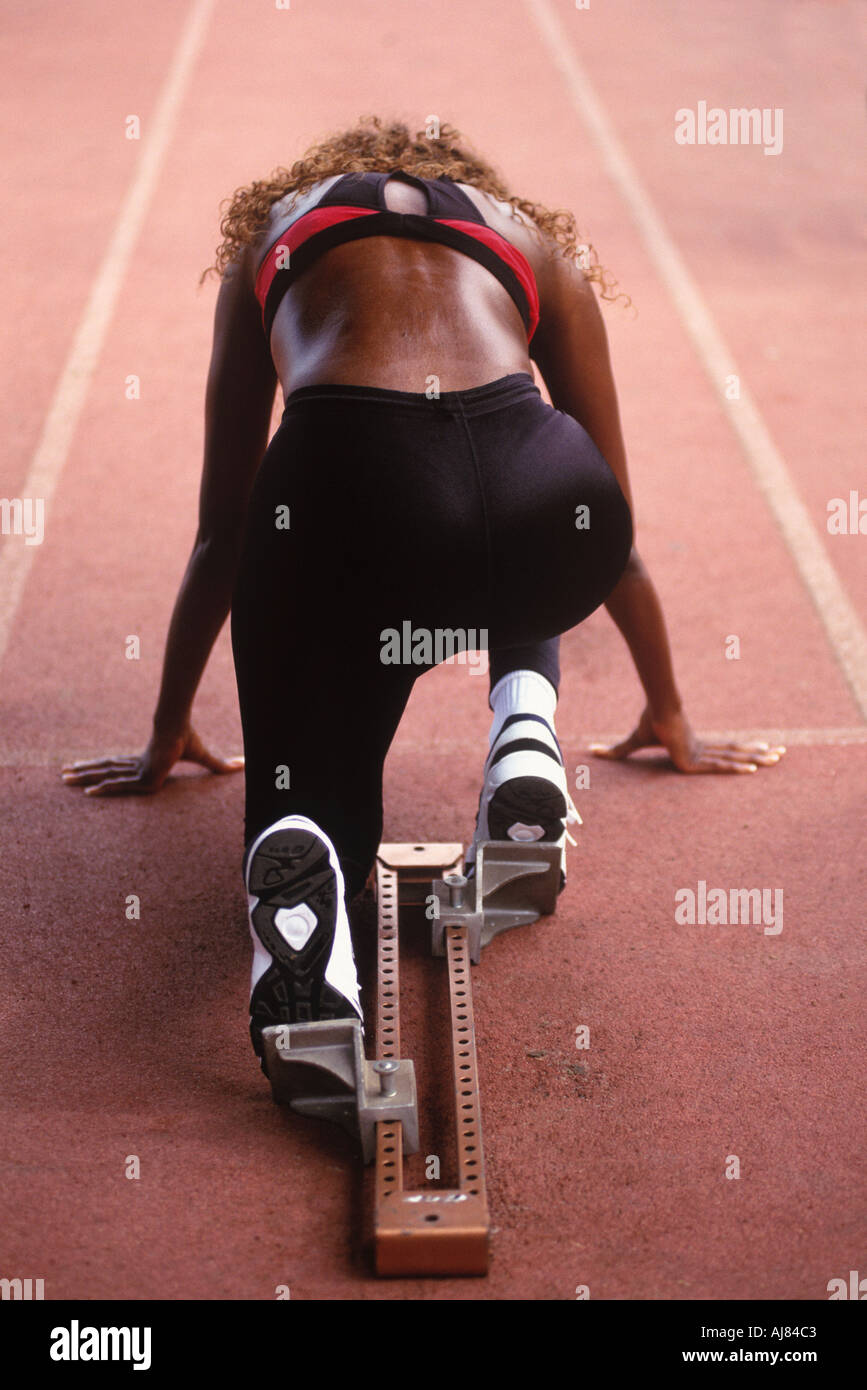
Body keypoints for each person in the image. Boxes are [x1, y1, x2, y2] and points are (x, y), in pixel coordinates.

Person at [62, 116, 784, 1072]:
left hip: (353, 487)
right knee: (518, 545)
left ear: (315, 180)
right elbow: (618, 533)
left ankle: (313, 865)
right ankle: (524, 724)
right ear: (471, 187)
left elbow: (223, 534)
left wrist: (170, 726)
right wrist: (669, 710)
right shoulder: (530, 241)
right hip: (550, 502)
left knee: (317, 784)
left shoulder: (268, 241)